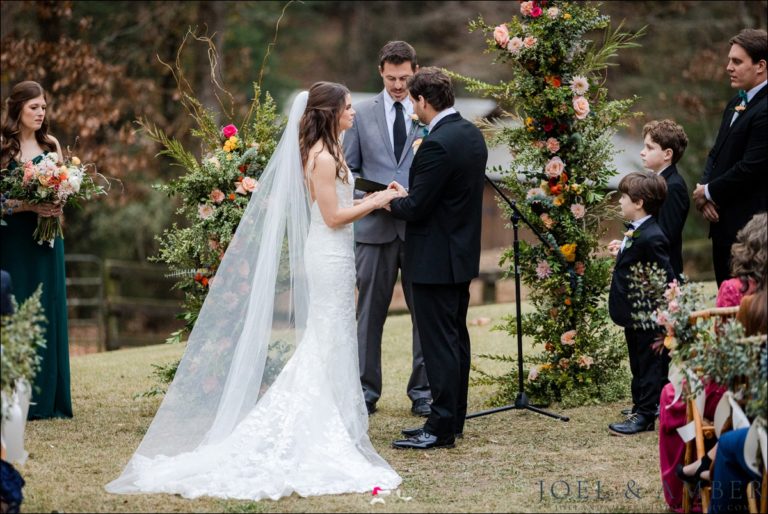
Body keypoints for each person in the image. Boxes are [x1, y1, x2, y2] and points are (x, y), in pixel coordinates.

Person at [106, 82, 402, 500]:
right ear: (330, 112)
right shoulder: (319, 157)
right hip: (328, 254)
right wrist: (374, 203)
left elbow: (339, 199)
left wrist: (377, 196)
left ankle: (330, 420)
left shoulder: (333, 152)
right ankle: (314, 425)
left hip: (338, 256)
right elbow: (333, 217)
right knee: (327, 338)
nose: (355, 113)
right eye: (348, 107)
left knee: (336, 338)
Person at [387, 67, 488, 450]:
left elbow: (415, 207)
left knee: (439, 345)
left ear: (423, 101)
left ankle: (441, 426)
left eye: (413, 100)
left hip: (433, 261)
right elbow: (443, 195)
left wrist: (388, 200)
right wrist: (411, 194)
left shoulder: (437, 143)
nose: (412, 106)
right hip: (458, 256)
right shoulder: (470, 134)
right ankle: (452, 417)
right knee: (455, 339)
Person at [342, 41, 432, 417]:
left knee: (424, 313)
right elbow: (348, 172)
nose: (398, 85)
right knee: (369, 315)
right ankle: (365, 390)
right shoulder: (360, 114)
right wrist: (379, 196)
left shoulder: (426, 113)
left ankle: (424, 392)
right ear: (381, 71)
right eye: (392, 78)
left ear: (415, 71)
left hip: (418, 230)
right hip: (374, 230)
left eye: (405, 78)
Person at [659, 212, 766, 512]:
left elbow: (723, 354)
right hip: (750, 392)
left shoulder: (736, 291)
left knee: (672, 397)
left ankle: (682, 496)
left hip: (737, 392)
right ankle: (707, 463)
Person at [0, 80, 72, 420]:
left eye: (44, 107)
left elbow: (62, 190)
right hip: (14, 243)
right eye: (34, 107)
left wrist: (58, 200)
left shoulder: (51, 144)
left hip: (47, 242)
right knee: (16, 310)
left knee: (48, 308)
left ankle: (49, 400)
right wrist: (31, 206)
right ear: (17, 108)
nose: (41, 113)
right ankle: (14, 396)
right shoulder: (4, 148)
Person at [692, 28, 767, 287]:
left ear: (761, 66)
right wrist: (704, 191)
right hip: (723, 226)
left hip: (750, 232)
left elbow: (751, 167)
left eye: (737, 61)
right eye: (729, 60)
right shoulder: (736, 101)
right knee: (725, 307)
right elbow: (716, 152)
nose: (728, 67)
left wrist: (710, 192)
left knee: (745, 310)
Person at [606, 171, 675, 436]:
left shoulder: (653, 236)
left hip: (647, 315)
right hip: (632, 313)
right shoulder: (637, 232)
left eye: (624, 196)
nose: (620, 201)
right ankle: (640, 406)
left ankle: (646, 415)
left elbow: (664, 277)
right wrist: (622, 251)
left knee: (648, 365)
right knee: (637, 362)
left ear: (639, 202)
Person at [639, 119, 689, 279]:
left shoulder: (673, 186)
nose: (642, 152)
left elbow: (664, 236)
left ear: (667, 154)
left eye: (649, 147)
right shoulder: (658, 182)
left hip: (664, 274)